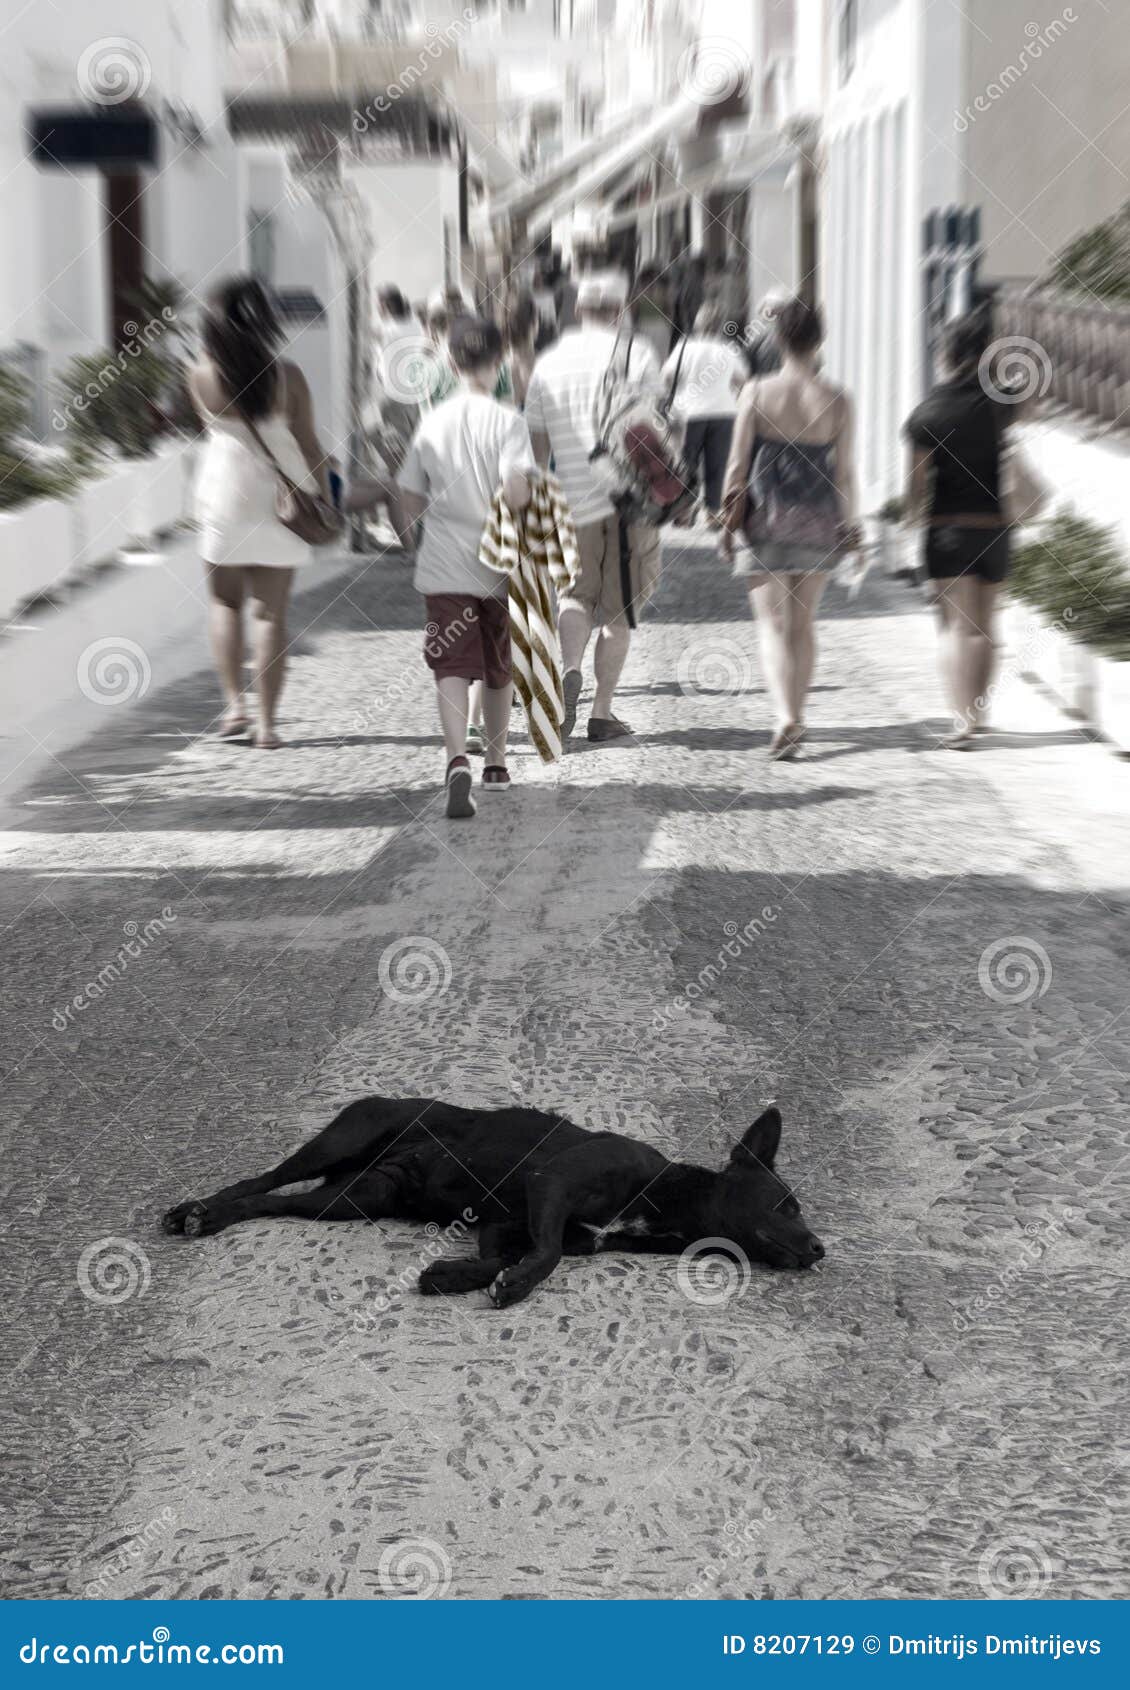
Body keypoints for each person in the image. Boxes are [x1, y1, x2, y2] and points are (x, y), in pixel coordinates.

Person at [396, 316, 534, 817]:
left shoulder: (431, 422)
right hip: (499, 564)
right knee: (499, 665)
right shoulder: (509, 420)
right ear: (499, 363)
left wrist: (414, 536)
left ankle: (457, 758)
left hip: (444, 562)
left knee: (451, 665)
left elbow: (409, 492)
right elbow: (517, 493)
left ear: (451, 363)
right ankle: (496, 763)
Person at [189, 276, 332, 750]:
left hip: (223, 497)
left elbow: (210, 428)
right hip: (279, 502)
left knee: (224, 602)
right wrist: (325, 492)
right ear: (265, 322)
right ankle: (268, 726)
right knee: (270, 614)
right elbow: (309, 444)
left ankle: (234, 707)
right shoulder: (287, 377)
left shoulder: (200, 375)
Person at [524, 270, 662, 742]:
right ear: (621, 310)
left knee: (573, 594)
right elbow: (654, 432)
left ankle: (569, 667)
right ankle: (602, 714)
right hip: (629, 500)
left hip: (572, 497)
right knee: (620, 609)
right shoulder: (638, 354)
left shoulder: (548, 362)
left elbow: (538, 448)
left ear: (578, 310)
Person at [719, 297, 859, 760]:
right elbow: (846, 474)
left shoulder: (756, 393)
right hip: (819, 521)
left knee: (772, 626)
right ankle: (798, 712)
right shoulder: (839, 400)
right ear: (820, 340)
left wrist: (726, 523)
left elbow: (737, 466)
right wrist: (853, 527)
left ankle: (785, 716)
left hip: (766, 520)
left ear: (778, 339)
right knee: (803, 624)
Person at [903, 312, 1014, 748]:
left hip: (948, 530)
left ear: (946, 354)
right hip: (997, 529)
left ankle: (962, 722)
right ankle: (980, 714)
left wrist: (911, 519)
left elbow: (914, 486)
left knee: (956, 628)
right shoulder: (1003, 403)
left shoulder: (926, 413)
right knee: (985, 628)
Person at [661, 302, 747, 522]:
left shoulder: (685, 347)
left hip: (691, 413)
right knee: (717, 464)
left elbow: (667, 376)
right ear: (719, 326)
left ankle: (685, 512)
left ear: (698, 323)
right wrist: (730, 389)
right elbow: (742, 379)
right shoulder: (728, 349)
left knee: (687, 463)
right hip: (723, 411)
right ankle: (713, 513)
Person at [372, 284, 425, 450]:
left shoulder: (385, 329)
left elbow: (380, 366)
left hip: (394, 396)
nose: (376, 309)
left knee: (399, 447)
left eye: (378, 304)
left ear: (385, 305)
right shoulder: (416, 324)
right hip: (416, 395)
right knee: (415, 442)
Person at [631, 263, 673, 362]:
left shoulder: (638, 292)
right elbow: (669, 311)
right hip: (661, 327)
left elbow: (633, 312)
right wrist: (668, 326)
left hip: (644, 326)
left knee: (643, 358)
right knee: (660, 358)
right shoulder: (663, 291)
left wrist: (634, 327)